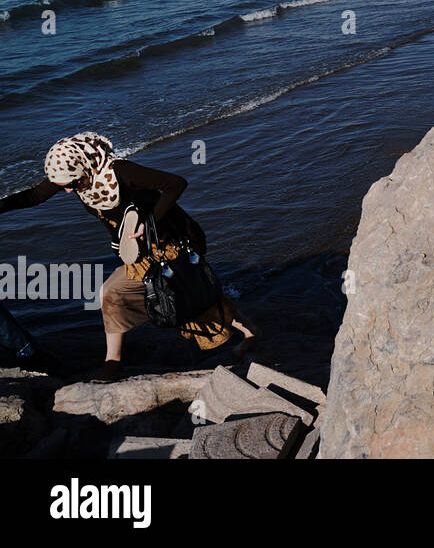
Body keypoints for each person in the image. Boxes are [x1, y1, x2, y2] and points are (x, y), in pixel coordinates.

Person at [0, 133, 257, 381]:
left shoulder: (120, 172)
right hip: (136, 253)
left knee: (181, 297)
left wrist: (149, 222)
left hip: (168, 245)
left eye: (72, 184)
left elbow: (175, 183)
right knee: (138, 295)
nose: (69, 191)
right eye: (65, 186)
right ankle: (114, 361)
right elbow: (34, 196)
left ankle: (247, 331)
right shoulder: (74, 174)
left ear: (84, 166)